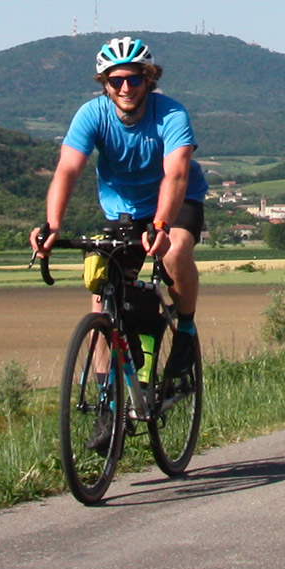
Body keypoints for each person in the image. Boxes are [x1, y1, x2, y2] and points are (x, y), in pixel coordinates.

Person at [31, 37, 208, 381]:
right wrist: (52, 223)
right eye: (116, 80)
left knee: (174, 252)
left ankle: (185, 331)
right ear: (106, 84)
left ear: (149, 79)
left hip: (175, 201)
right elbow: (68, 168)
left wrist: (160, 224)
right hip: (123, 210)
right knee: (103, 294)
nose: (126, 87)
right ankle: (105, 398)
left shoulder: (171, 113)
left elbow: (176, 173)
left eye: (134, 79)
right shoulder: (92, 114)